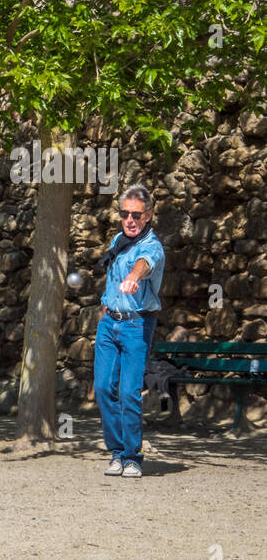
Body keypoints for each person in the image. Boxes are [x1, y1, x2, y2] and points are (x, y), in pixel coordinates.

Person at [94, 184, 165, 478]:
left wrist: (134, 278)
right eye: (125, 214)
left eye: (136, 214)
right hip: (109, 322)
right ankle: (116, 452)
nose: (130, 220)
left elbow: (143, 264)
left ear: (147, 215)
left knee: (128, 392)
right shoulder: (117, 239)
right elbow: (112, 280)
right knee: (102, 388)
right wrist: (103, 312)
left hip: (137, 324)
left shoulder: (152, 246)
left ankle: (132, 456)